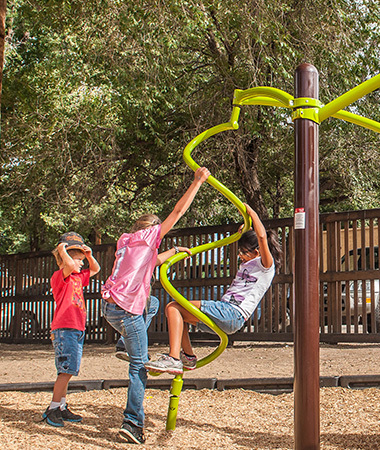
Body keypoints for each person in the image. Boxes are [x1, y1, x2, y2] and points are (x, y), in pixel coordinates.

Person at [101, 166, 210, 444]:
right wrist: (197, 181)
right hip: (127, 310)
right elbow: (178, 212)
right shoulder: (149, 236)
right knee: (139, 367)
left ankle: (123, 344)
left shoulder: (126, 242)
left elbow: (152, 261)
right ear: (151, 230)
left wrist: (174, 252)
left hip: (110, 307)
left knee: (153, 303)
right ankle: (132, 423)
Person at [145, 205, 281, 375]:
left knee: (173, 307)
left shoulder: (266, 266)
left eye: (244, 252)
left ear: (257, 252)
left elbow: (261, 237)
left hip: (232, 313)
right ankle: (187, 357)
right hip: (226, 313)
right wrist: (245, 231)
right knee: (176, 313)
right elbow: (255, 236)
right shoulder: (248, 263)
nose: (240, 256)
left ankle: (174, 358)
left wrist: (252, 213)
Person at [42, 232, 100, 427]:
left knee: (71, 369)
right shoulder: (60, 277)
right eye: (78, 260)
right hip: (64, 329)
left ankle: (62, 406)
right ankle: (52, 408)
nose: (81, 264)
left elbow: (96, 269)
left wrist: (89, 255)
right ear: (65, 259)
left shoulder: (78, 277)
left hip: (76, 329)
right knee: (65, 371)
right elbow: (67, 265)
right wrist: (62, 250)